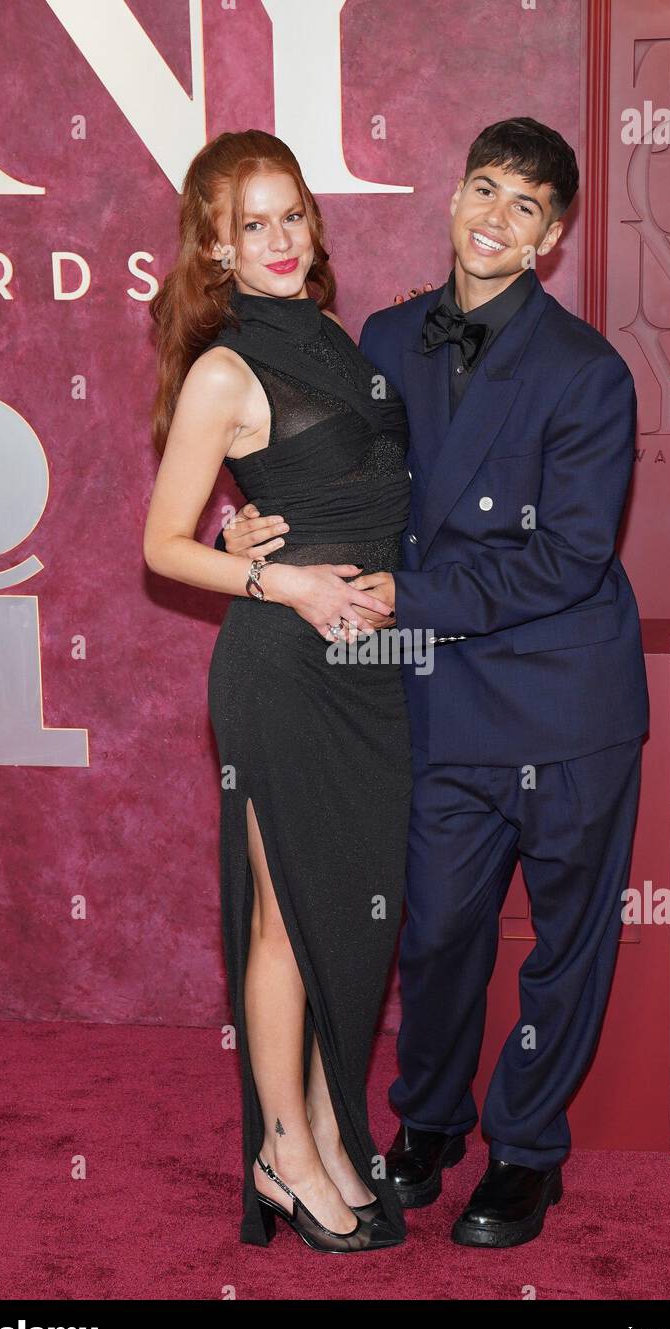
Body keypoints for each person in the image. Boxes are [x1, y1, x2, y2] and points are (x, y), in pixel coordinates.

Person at [221, 116, 649, 1249]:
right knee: (437, 929)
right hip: (434, 700)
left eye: (524, 206)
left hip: (564, 703)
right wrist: (258, 521)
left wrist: (410, 598)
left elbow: (567, 558)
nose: (494, 218)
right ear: (453, 198)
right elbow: (350, 482)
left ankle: (524, 1152)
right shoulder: (383, 332)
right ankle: (428, 1122)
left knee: (563, 943)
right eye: (482, 189)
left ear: (549, 238)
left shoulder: (587, 372)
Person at [143, 130, 412, 1252]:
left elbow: (359, 489)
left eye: (289, 213)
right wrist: (277, 577)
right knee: (283, 925)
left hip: (366, 672)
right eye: (249, 223)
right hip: (280, 669)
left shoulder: (340, 341)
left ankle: (332, 1132)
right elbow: (163, 544)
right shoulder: (222, 366)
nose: (277, 239)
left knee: (339, 919)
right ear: (214, 246)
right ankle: (285, 1148)